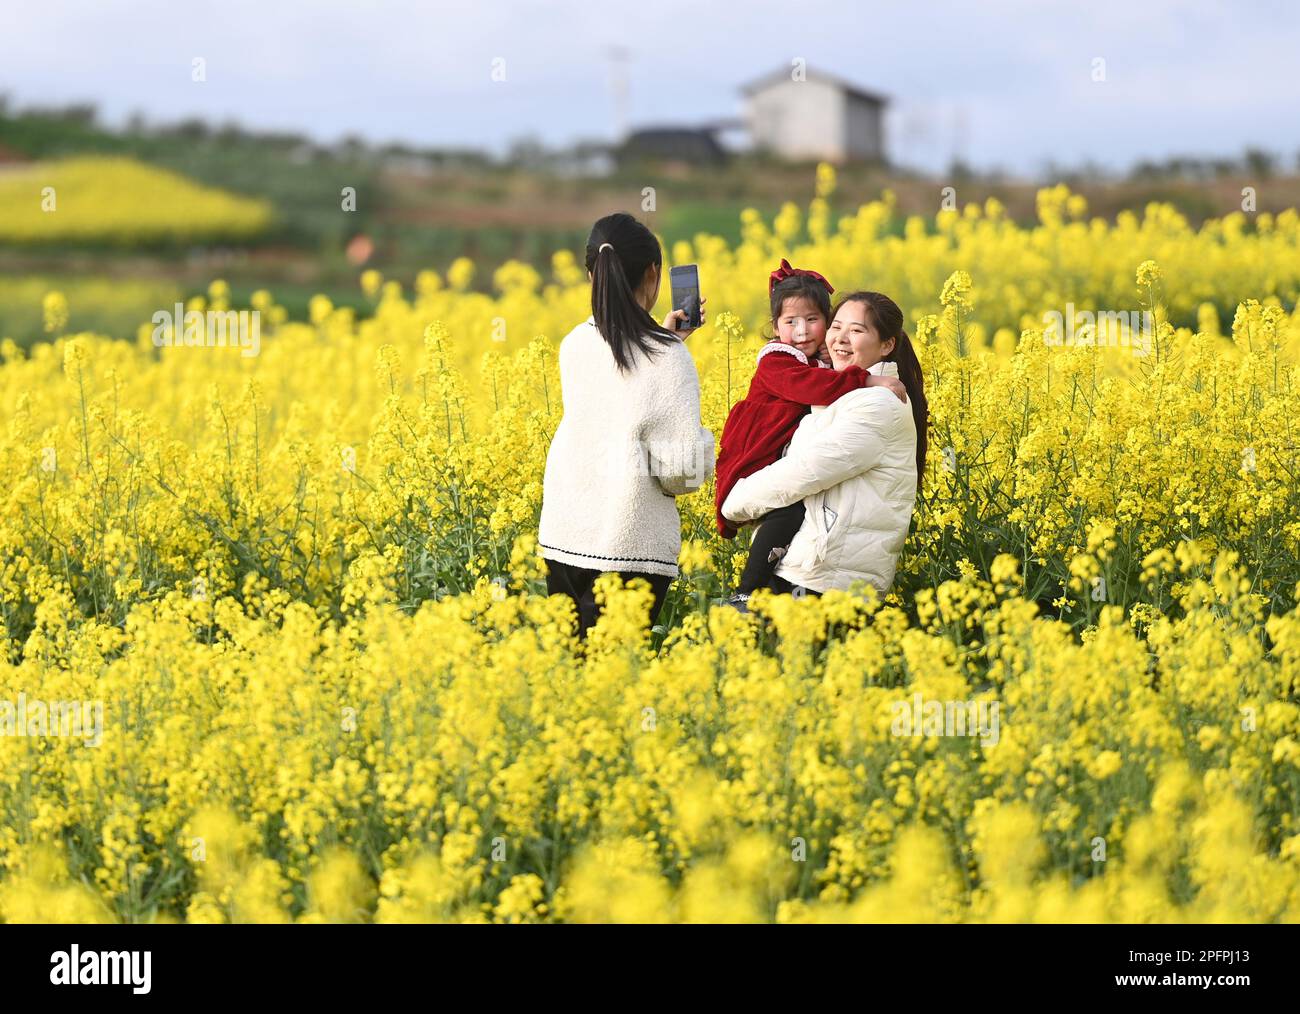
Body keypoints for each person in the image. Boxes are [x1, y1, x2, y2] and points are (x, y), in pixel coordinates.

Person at [538, 212, 714, 638]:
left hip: (565, 536)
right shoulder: (667, 358)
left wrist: (663, 340)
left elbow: (622, 380)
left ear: (589, 275)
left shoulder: (575, 343)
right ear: (653, 273)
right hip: (627, 547)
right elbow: (683, 473)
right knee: (613, 679)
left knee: (571, 674)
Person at [714, 260, 906, 609]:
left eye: (814, 320)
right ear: (775, 327)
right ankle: (747, 589)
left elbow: (811, 467)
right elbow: (813, 388)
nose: (802, 330)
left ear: (887, 344)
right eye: (791, 322)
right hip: (758, 447)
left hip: (828, 577)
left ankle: (748, 590)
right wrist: (866, 377)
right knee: (785, 512)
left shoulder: (870, 400)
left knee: (788, 512)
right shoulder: (778, 359)